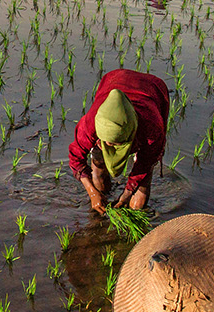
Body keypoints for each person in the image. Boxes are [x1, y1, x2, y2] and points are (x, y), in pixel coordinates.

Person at [68, 68, 169, 214]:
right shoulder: (91, 124)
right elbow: (75, 158)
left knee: (143, 181)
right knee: (98, 163)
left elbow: (145, 164)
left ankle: (136, 214)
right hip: (115, 79)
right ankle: (102, 201)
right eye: (108, 143)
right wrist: (93, 193)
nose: (111, 147)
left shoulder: (151, 127)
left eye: (118, 144)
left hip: (150, 89)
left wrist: (126, 195)